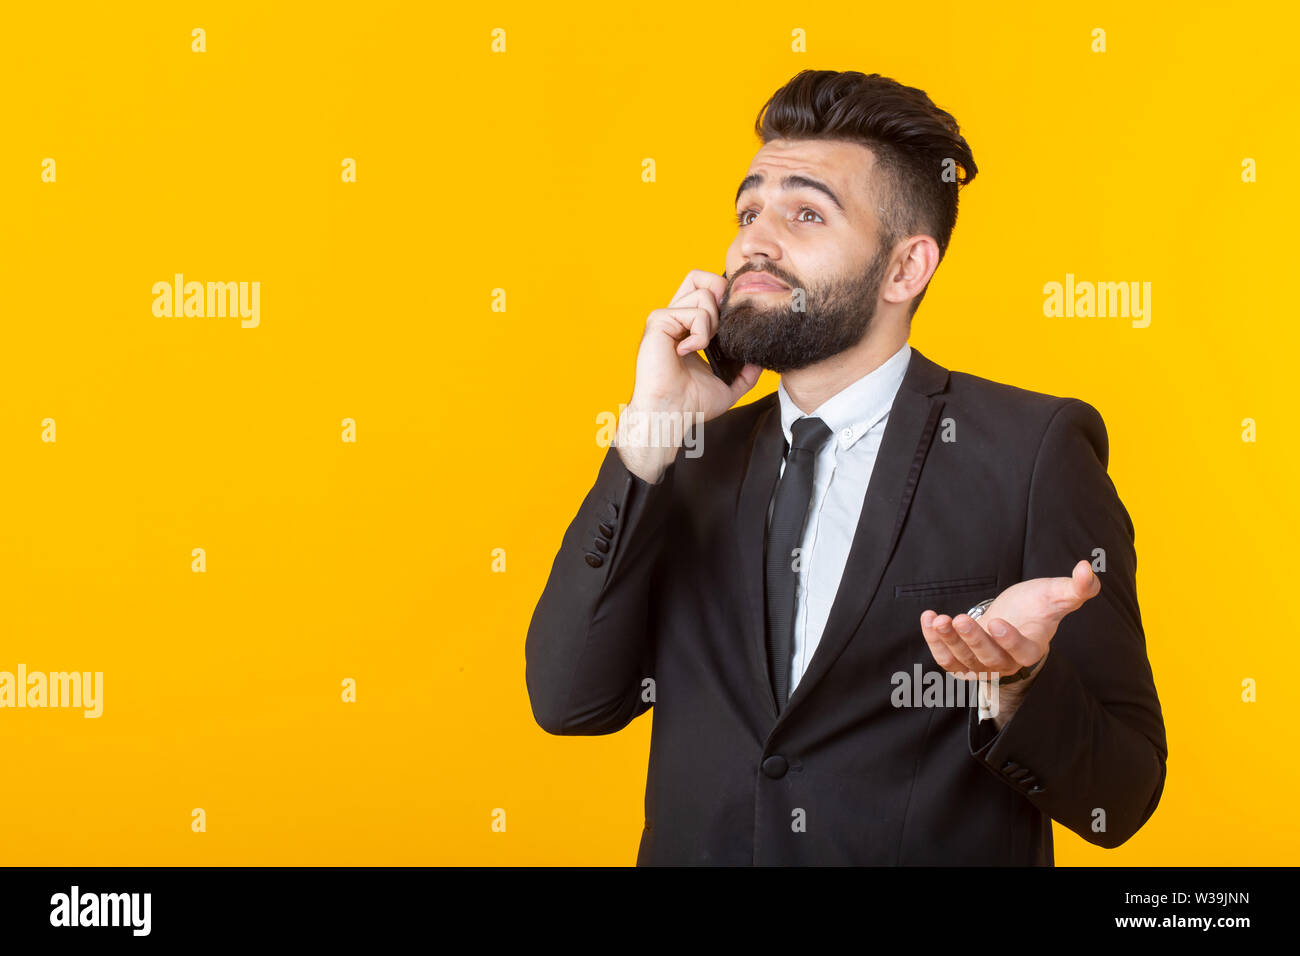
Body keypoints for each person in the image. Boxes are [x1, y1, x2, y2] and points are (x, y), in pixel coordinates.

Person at [525, 69, 1167, 865]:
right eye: (749, 210)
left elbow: (1122, 797)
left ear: (906, 268)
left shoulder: (1032, 451)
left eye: (805, 213)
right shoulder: (685, 456)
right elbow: (567, 701)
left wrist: (1017, 687)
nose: (756, 240)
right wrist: (651, 430)